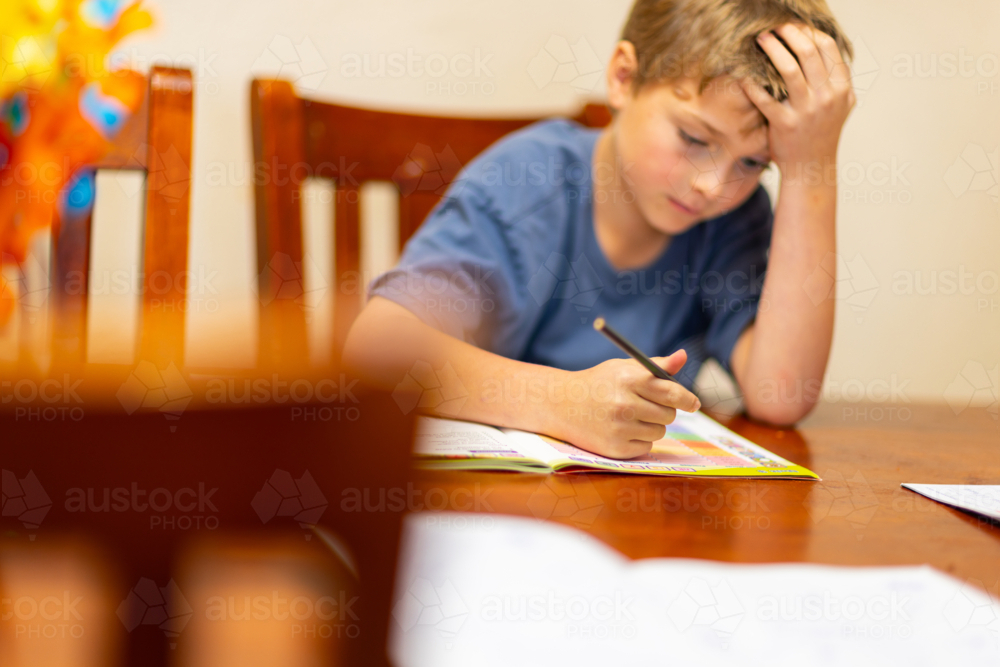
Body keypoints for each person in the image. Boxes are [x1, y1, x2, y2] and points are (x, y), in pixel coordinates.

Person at [344, 0, 856, 459]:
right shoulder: (527, 183)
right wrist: (561, 401)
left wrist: (812, 169)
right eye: (694, 138)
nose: (712, 185)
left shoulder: (733, 219)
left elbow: (782, 395)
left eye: (752, 163)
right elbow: (378, 349)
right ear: (623, 78)